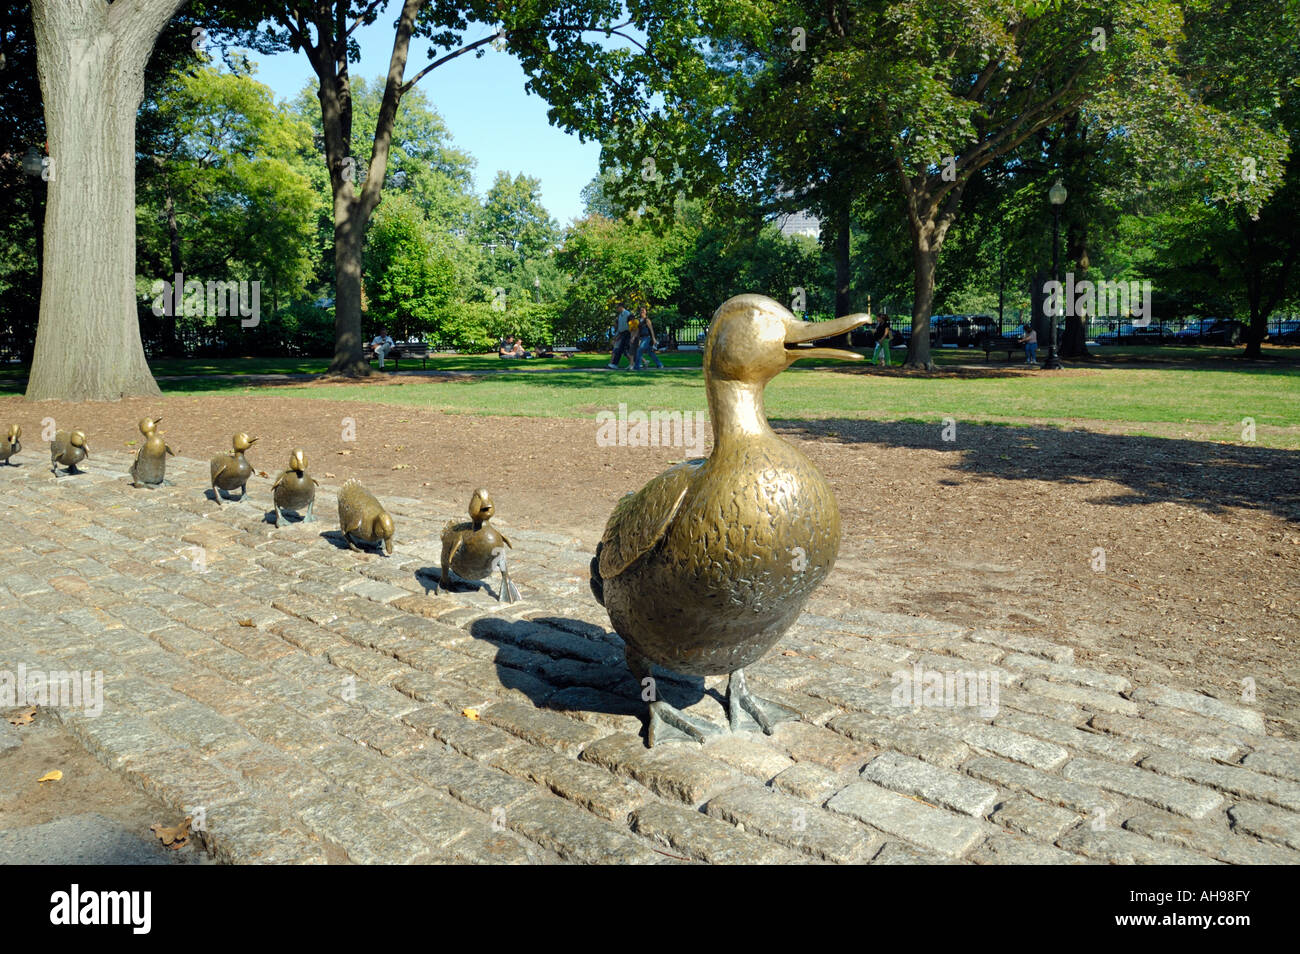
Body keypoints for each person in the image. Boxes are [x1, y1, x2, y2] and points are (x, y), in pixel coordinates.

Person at [633, 305, 664, 370]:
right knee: (650, 353)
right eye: (641, 310)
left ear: (646, 312)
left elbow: (651, 329)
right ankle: (659, 364)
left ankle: (637, 366)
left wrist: (653, 338)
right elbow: (637, 331)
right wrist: (633, 337)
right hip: (642, 338)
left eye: (643, 310)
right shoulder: (639, 321)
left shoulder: (647, 320)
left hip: (647, 337)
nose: (642, 312)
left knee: (639, 350)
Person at [607, 301, 633, 370]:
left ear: (621, 307)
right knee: (621, 350)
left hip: (627, 333)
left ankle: (634, 363)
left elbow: (631, 325)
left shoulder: (627, 314)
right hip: (622, 334)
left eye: (617, 307)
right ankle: (615, 364)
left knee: (625, 350)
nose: (616, 309)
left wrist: (632, 336)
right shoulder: (620, 316)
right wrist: (616, 336)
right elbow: (619, 328)